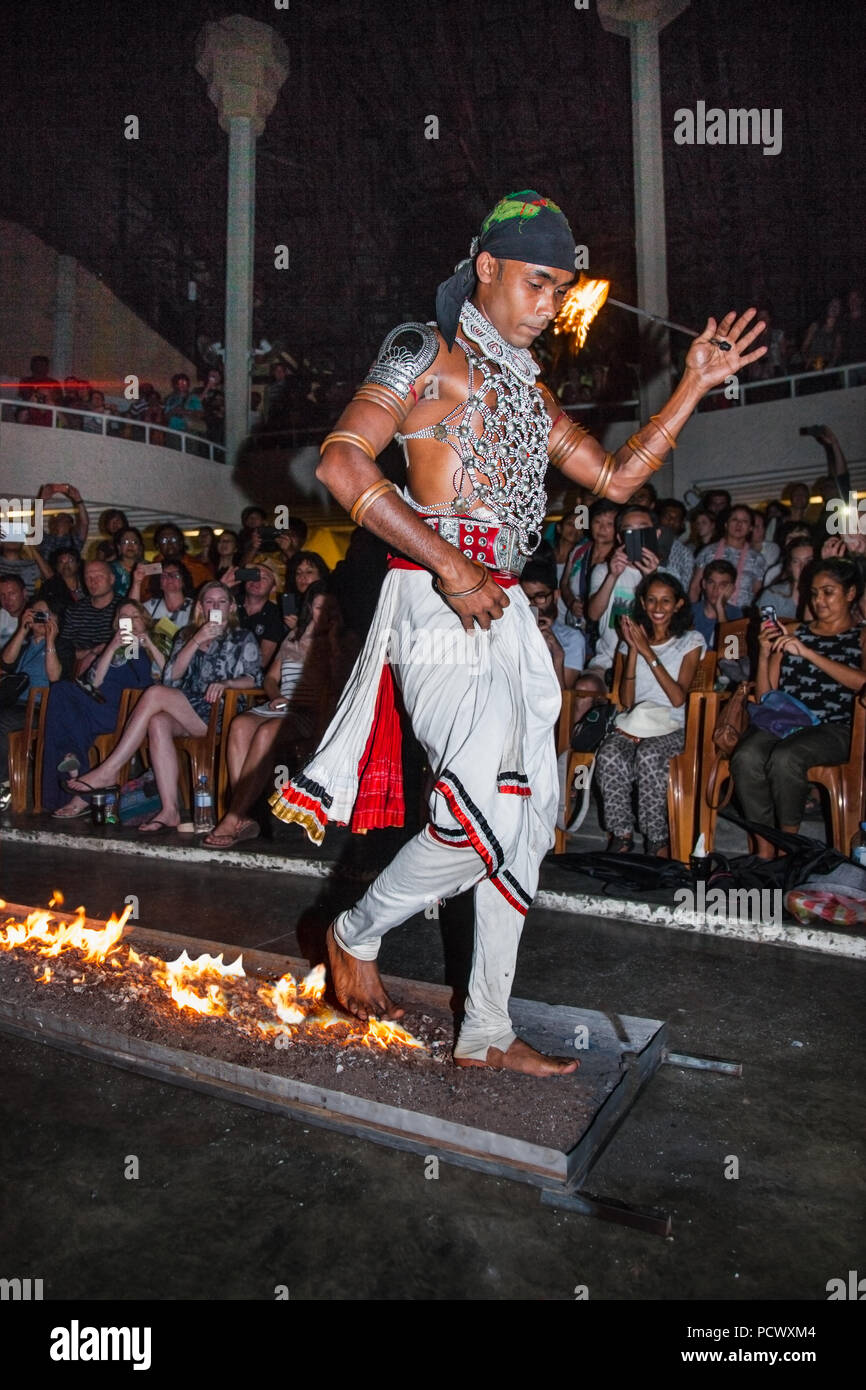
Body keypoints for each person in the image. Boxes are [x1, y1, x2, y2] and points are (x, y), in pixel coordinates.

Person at [268, 187, 765, 1075]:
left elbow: (614, 478)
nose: (549, 305)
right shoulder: (422, 350)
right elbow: (341, 461)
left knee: (528, 817)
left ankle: (486, 1030)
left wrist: (690, 384)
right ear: (486, 269)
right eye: (536, 283)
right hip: (431, 598)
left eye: (559, 289)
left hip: (500, 610)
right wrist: (451, 567)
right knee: (474, 816)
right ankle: (356, 929)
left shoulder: (529, 392)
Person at [66, 582, 261, 832]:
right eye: (209, 601)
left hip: (223, 710)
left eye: (221, 601)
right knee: (158, 722)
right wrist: (196, 640)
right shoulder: (186, 634)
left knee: (155, 693)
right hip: (188, 710)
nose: (215, 606)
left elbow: (252, 678)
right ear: (200, 607)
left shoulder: (242, 637)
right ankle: (170, 810)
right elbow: (171, 677)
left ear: (231, 606)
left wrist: (227, 683)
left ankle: (109, 770)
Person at [730, 558, 866, 860]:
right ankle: (764, 847)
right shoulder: (796, 632)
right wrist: (765, 653)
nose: (819, 601)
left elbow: (863, 683)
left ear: (851, 593)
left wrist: (807, 652)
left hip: (835, 728)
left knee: (786, 757)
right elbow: (767, 696)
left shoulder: (860, 636)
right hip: (784, 721)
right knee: (746, 755)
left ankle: (785, 846)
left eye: (828, 592)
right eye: (814, 593)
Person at [204, 582, 342, 849]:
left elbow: (338, 683)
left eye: (329, 608)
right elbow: (270, 678)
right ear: (309, 609)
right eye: (317, 607)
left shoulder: (340, 641)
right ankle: (245, 813)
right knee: (241, 724)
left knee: (267, 732)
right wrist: (275, 694)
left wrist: (330, 639)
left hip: (311, 711)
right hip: (280, 705)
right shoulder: (292, 637)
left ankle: (233, 816)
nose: (323, 613)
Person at [594, 573, 705, 855]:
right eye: (652, 600)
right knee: (609, 754)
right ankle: (621, 835)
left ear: (678, 604)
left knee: (650, 755)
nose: (658, 607)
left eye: (666, 601)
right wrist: (633, 649)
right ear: (642, 602)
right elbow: (627, 700)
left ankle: (657, 839)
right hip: (635, 724)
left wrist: (648, 653)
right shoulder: (632, 640)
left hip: (672, 726)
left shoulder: (690, 641)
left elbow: (679, 698)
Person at [42, 602, 161, 815]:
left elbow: (171, 674)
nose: (131, 621)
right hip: (98, 705)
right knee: (62, 706)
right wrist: (112, 647)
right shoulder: (114, 647)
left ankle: (75, 778)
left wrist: (148, 644)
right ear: (117, 623)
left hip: (129, 711)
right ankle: (74, 768)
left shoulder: (156, 641)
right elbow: (95, 682)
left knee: (61, 692)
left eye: (135, 616)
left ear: (145, 620)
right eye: (124, 617)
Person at [587, 504, 694, 674]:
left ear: (656, 535)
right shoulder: (604, 570)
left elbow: (679, 624)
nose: (636, 537)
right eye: (629, 531)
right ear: (620, 538)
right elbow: (593, 614)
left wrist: (652, 577)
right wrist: (612, 576)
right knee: (586, 690)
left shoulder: (668, 577)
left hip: (654, 661)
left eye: (643, 531)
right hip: (609, 661)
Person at [0, 597, 74, 792]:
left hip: (42, 709)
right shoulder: (24, 646)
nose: (39, 620)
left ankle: (4, 783)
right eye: (35, 614)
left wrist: (50, 640)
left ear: (56, 618)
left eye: (44, 615)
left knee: (3, 720)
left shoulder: (63, 646)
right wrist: (23, 629)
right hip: (15, 704)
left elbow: (54, 676)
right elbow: (6, 663)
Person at [560, 499, 617, 654]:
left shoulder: (619, 559)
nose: (602, 528)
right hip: (576, 628)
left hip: (606, 635)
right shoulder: (579, 551)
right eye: (597, 522)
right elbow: (564, 583)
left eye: (609, 524)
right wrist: (571, 602)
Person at [519, 560, 585, 688]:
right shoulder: (513, 630)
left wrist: (557, 654)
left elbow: (563, 700)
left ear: (555, 595)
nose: (532, 604)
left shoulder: (572, 638)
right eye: (526, 598)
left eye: (540, 597)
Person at [689, 504, 766, 609]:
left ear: (750, 528)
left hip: (741, 617)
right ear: (726, 524)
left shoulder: (757, 558)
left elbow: (758, 593)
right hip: (710, 615)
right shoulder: (708, 552)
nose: (739, 524)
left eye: (744, 521)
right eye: (734, 520)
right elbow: (695, 588)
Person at [60, 560, 118, 674]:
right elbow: (63, 649)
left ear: (111, 579)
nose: (93, 582)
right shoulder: (75, 610)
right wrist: (91, 651)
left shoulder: (124, 609)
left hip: (113, 669)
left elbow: (131, 651)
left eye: (99, 576)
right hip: (78, 669)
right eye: (88, 577)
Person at [756, 539, 815, 620]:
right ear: (790, 566)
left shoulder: (824, 596)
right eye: (796, 561)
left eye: (808, 561)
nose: (802, 567)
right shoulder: (772, 594)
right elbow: (767, 627)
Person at [690, 559, 743, 647]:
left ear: (732, 589)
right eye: (711, 583)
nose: (715, 589)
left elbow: (731, 652)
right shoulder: (690, 611)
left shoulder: (735, 614)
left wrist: (720, 609)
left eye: (722, 585)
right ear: (704, 584)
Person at [38, 546, 86, 613]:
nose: (66, 565)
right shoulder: (49, 586)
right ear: (56, 566)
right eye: (61, 561)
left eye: (70, 561)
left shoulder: (87, 583)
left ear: (78, 564)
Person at [110, 528, 145, 598]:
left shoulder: (150, 568)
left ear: (140, 547)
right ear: (119, 547)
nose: (130, 546)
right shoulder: (109, 569)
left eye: (134, 542)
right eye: (125, 542)